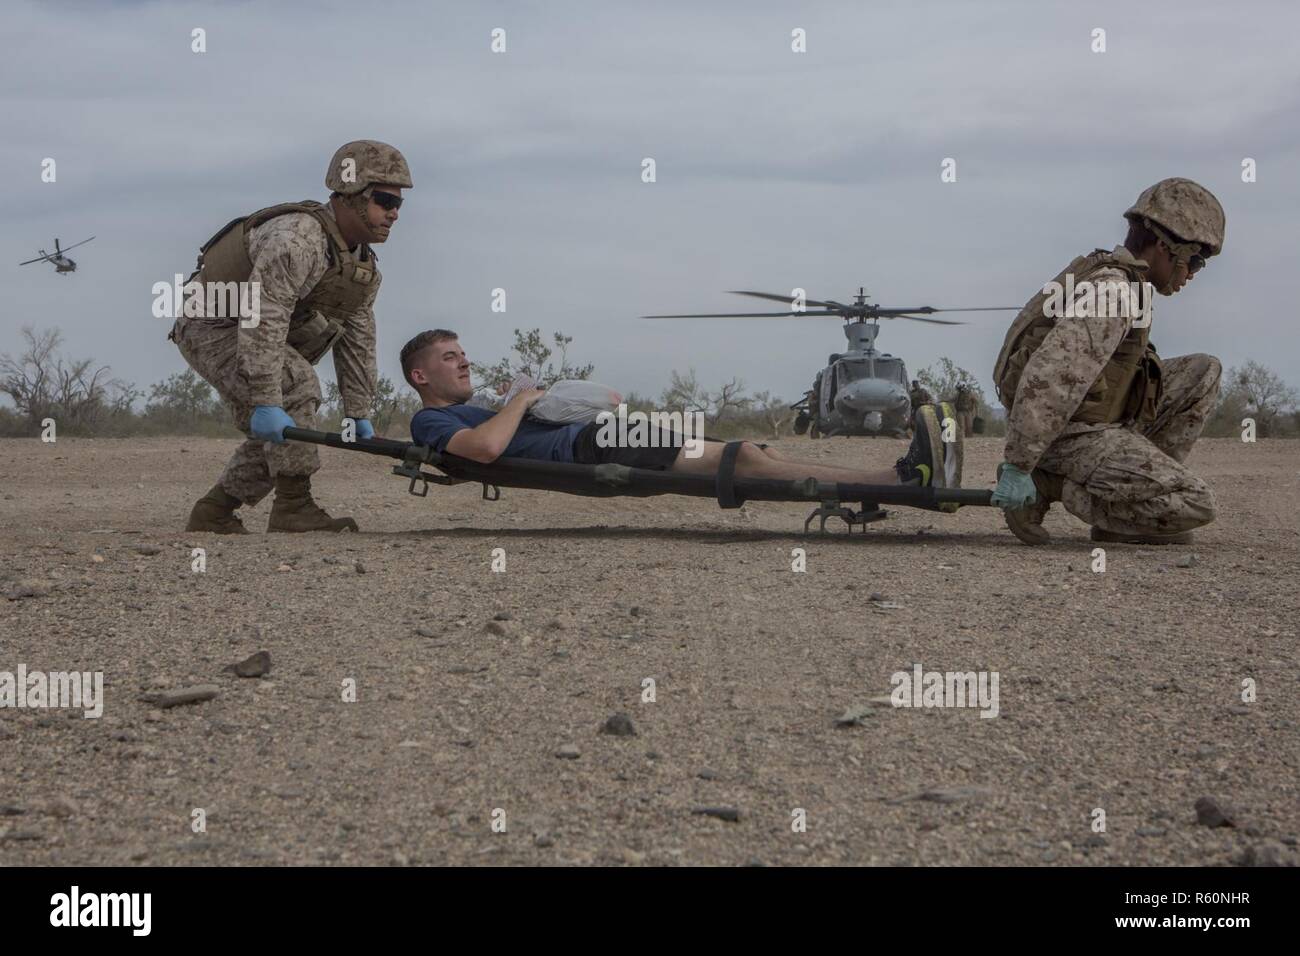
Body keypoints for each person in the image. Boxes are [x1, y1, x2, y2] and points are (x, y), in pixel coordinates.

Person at [399, 329, 964, 497]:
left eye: (464, 353)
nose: (464, 362)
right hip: (595, 447)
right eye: (450, 358)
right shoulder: (433, 421)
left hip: (607, 432)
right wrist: (521, 401)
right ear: (420, 376)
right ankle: (900, 479)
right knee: (741, 459)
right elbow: (487, 451)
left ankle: (900, 474)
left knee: (751, 454)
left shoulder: (476, 408)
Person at [170, 140, 412, 533]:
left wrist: (358, 411)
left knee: (283, 426)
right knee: (295, 388)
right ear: (350, 197)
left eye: (399, 204)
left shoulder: (361, 264)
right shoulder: (296, 241)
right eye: (385, 200)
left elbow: (357, 334)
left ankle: (214, 511)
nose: (394, 214)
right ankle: (293, 507)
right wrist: (266, 396)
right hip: (212, 325)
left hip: (255, 331)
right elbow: (263, 312)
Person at [990, 178, 1224, 545]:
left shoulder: (1127, 282)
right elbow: (1050, 378)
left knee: (1203, 372)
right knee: (1194, 504)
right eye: (1194, 260)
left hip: (1098, 422)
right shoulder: (1114, 292)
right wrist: (1019, 466)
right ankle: (1055, 484)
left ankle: (1133, 497)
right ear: (1164, 246)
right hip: (1072, 437)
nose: (1193, 273)